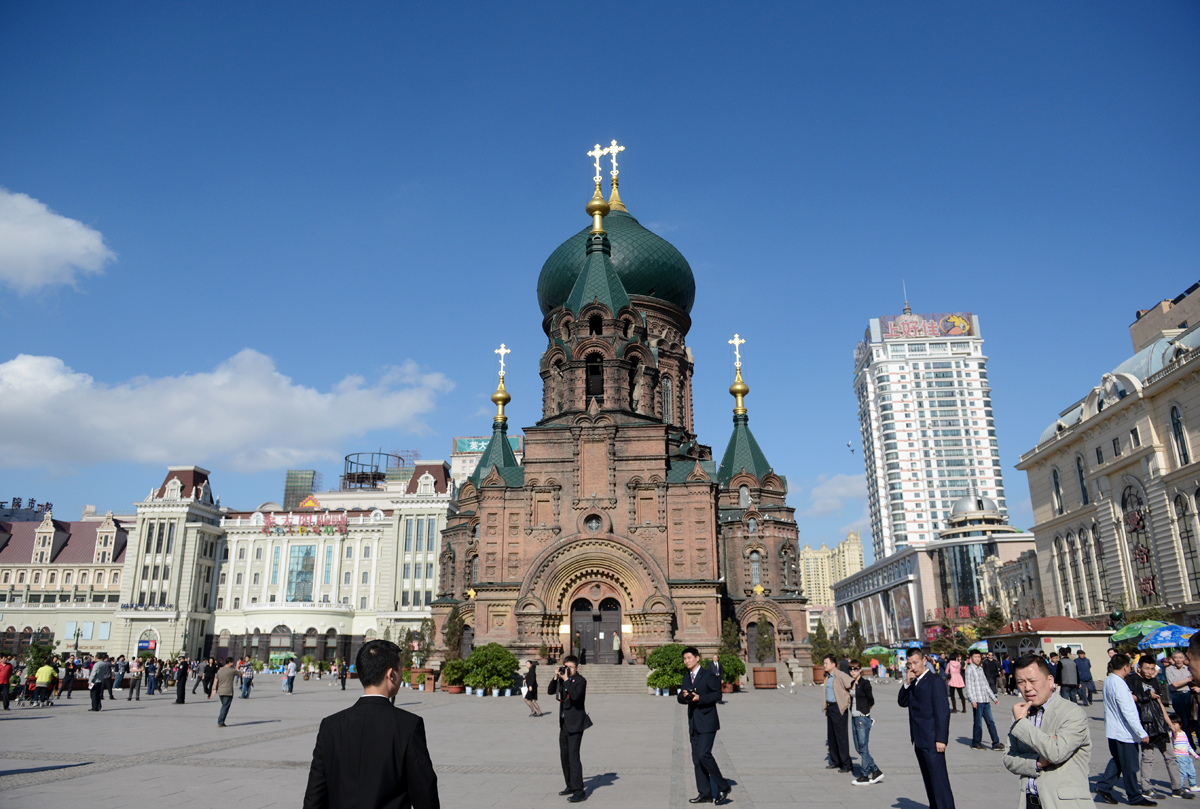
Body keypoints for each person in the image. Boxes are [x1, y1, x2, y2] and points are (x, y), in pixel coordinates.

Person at [302, 639, 439, 809]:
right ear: (391, 674)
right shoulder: (408, 726)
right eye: (400, 668)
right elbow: (425, 795)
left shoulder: (330, 726)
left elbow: (314, 797)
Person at [1001, 653, 1092, 808]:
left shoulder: (1071, 712)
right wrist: (1037, 763)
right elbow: (1009, 759)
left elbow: (1056, 753)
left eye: (1032, 681)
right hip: (1029, 802)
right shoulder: (1022, 714)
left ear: (1050, 681)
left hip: (1062, 804)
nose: (1027, 688)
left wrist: (1022, 723)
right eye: (1021, 682)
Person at [1095, 653, 1155, 806]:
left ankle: (1104, 786)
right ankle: (1134, 796)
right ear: (1126, 667)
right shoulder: (1120, 684)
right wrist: (1141, 732)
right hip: (1124, 733)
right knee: (1130, 766)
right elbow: (1128, 710)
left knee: (1118, 761)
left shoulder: (1108, 680)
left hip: (1114, 730)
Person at [898, 648, 955, 809]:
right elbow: (902, 702)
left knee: (939, 782)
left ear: (924, 661)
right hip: (919, 740)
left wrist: (941, 739)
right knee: (929, 781)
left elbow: (942, 713)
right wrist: (907, 683)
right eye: (910, 664)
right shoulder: (914, 682)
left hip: (932, 741)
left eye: (915, 662)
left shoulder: (934, 681)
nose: (913, 667)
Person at [1127, 655, 1185, 800]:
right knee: (1148, 757)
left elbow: (1159, 703)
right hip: (1145, 722)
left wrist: (1170, 724)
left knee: (1170, 756)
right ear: (1139, 667)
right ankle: (1146, 788)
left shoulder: (1154, 680)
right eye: (1146, 668)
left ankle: (1177, 788)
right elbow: (1129, 698)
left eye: (1152, 669)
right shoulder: (1132, 679)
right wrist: (1147, 694)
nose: (1150, 672)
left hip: (1159, 722)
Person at [678, 647, 730, 805]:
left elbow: (717, 695)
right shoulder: (686, 678)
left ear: (697, 658)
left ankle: (723, 785)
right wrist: (684, 696)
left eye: (689, 658)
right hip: (693, 723)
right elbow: (681, 698)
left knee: (703, 754)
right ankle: (705, 793)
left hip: (707, 722)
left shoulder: (708, 675)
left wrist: (700, 698)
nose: (687, 661)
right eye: (685, 659)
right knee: (697, 760)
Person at [548, 654, 591, 803]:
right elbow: (550, 691)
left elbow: (575, 696)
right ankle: (570, 785)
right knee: (564, 757)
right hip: (564, 724)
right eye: (566, 667)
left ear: (577, 668)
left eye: (570, 667)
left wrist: (566, 680)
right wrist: (556, 677)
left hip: (576, 725)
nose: (568, 669)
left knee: (573, 758)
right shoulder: (561, 679)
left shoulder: (581, 681)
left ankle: (579, 792)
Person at [848, 659, 883, 785]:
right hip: (854, 717)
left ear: (860, 670)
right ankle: (875, 770)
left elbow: (871, 700)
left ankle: (864, 775)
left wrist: (865, 713)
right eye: (851, 669)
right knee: (859, 747)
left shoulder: (865, 683)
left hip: (862, 718)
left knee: (863, 747)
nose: (853, 671)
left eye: (855, 669)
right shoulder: (852, 683)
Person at [965, 650, 1004, 751]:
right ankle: (976, 743)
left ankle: (996, 743)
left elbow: (986, 685)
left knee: (991, 722)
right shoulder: (969, 670)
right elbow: (969, 687)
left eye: (979, 657)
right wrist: (972, 700)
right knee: (978, 723)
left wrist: (994, 698)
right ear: (971, 658)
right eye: (975, 657)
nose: (977, 659)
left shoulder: (980, 669)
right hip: (977, 700)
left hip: (985, 700)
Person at [821, 654, 854, 774]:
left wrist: (847, 700)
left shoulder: (840, 675)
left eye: (826, 663)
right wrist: (826, 709)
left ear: (833, 665)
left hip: (839, 708)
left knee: (841, 737)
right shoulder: (828, 676)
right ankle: (835, 761)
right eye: (824, 663)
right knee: (832, 736)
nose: (824, 665)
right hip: (830, 708)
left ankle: (846, 764)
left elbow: (852, 683)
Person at [1167, 652, 1195, 742]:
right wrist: (1188, 679)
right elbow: (1175, 684)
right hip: (1177, 696)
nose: (1178, 660)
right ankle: (1190, 745)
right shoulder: (1169, 669)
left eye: (1180, 657)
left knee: (1194, 721)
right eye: (1176, 658)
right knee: (1184, 723)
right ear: (1173, 659)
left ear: (1184, 659)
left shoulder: (1188, 668)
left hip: (1190, 694)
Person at [1173, 715, 1199, 798]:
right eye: (1171, 724)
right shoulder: (1172, 734)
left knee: (1192, 772)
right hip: (1179, 757)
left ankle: (1193, 786)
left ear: (1180, 724)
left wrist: (1195, 755)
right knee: (1182, 773)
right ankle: (1180, 787)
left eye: (1175, 724)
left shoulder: (1183, 733)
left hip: (1187, 757)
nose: (1173, 726)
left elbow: (1188, 745)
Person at [215, 657, 237, 727]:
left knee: (224, 705)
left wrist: (214, 689)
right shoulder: (232, 671)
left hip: (220, 691)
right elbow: (240, 673)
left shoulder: (220, 670)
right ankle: (220, 722)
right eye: (233, 662)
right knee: (225, 707)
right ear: (230, 662)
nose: (233, 663)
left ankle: (221, 721)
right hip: (228, 691)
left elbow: (216, 680)